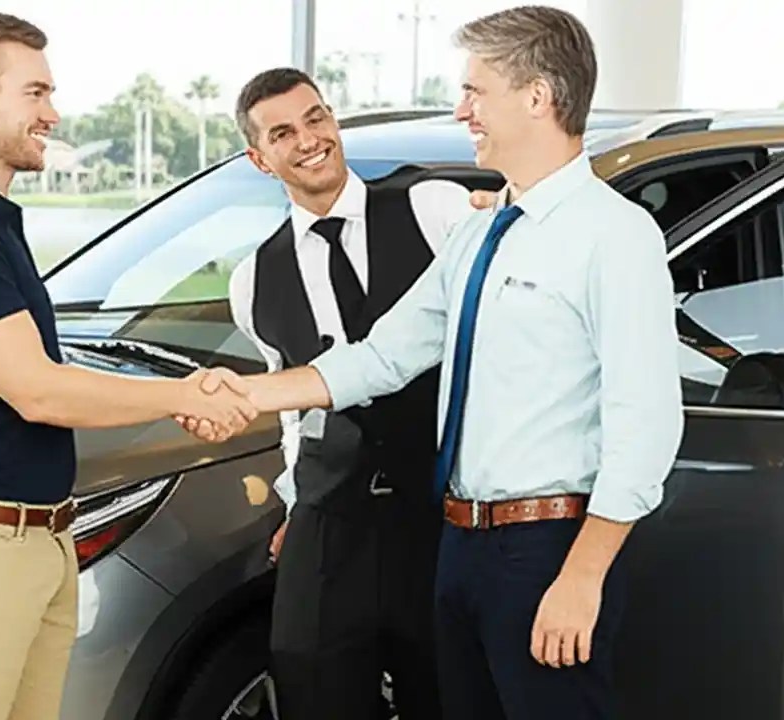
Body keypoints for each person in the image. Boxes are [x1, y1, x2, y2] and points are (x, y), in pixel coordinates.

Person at [184, 6, 683, 719]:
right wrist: (243, 393)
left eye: (475, 92)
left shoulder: (615, 235)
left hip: (548, 547)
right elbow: (381, 358)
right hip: (461, 547)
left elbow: (646, 426)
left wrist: (583, 574)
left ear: (537, 96)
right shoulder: (481, 232)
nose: (462, 110)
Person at [0, 12, 255, 720]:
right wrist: (184, 395)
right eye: (35, 93)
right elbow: (38, 392)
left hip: (33, 540)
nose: (53, 114)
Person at [224, 67, 474, 719]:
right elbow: (294, 413)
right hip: (329, 522)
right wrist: (291, 499)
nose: (309, 139)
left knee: (448, 694)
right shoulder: (254, 280)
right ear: (259, 158)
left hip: (436, 510)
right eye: (283, 132)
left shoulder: (432, 208)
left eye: (316, 118)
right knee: (314, 692)